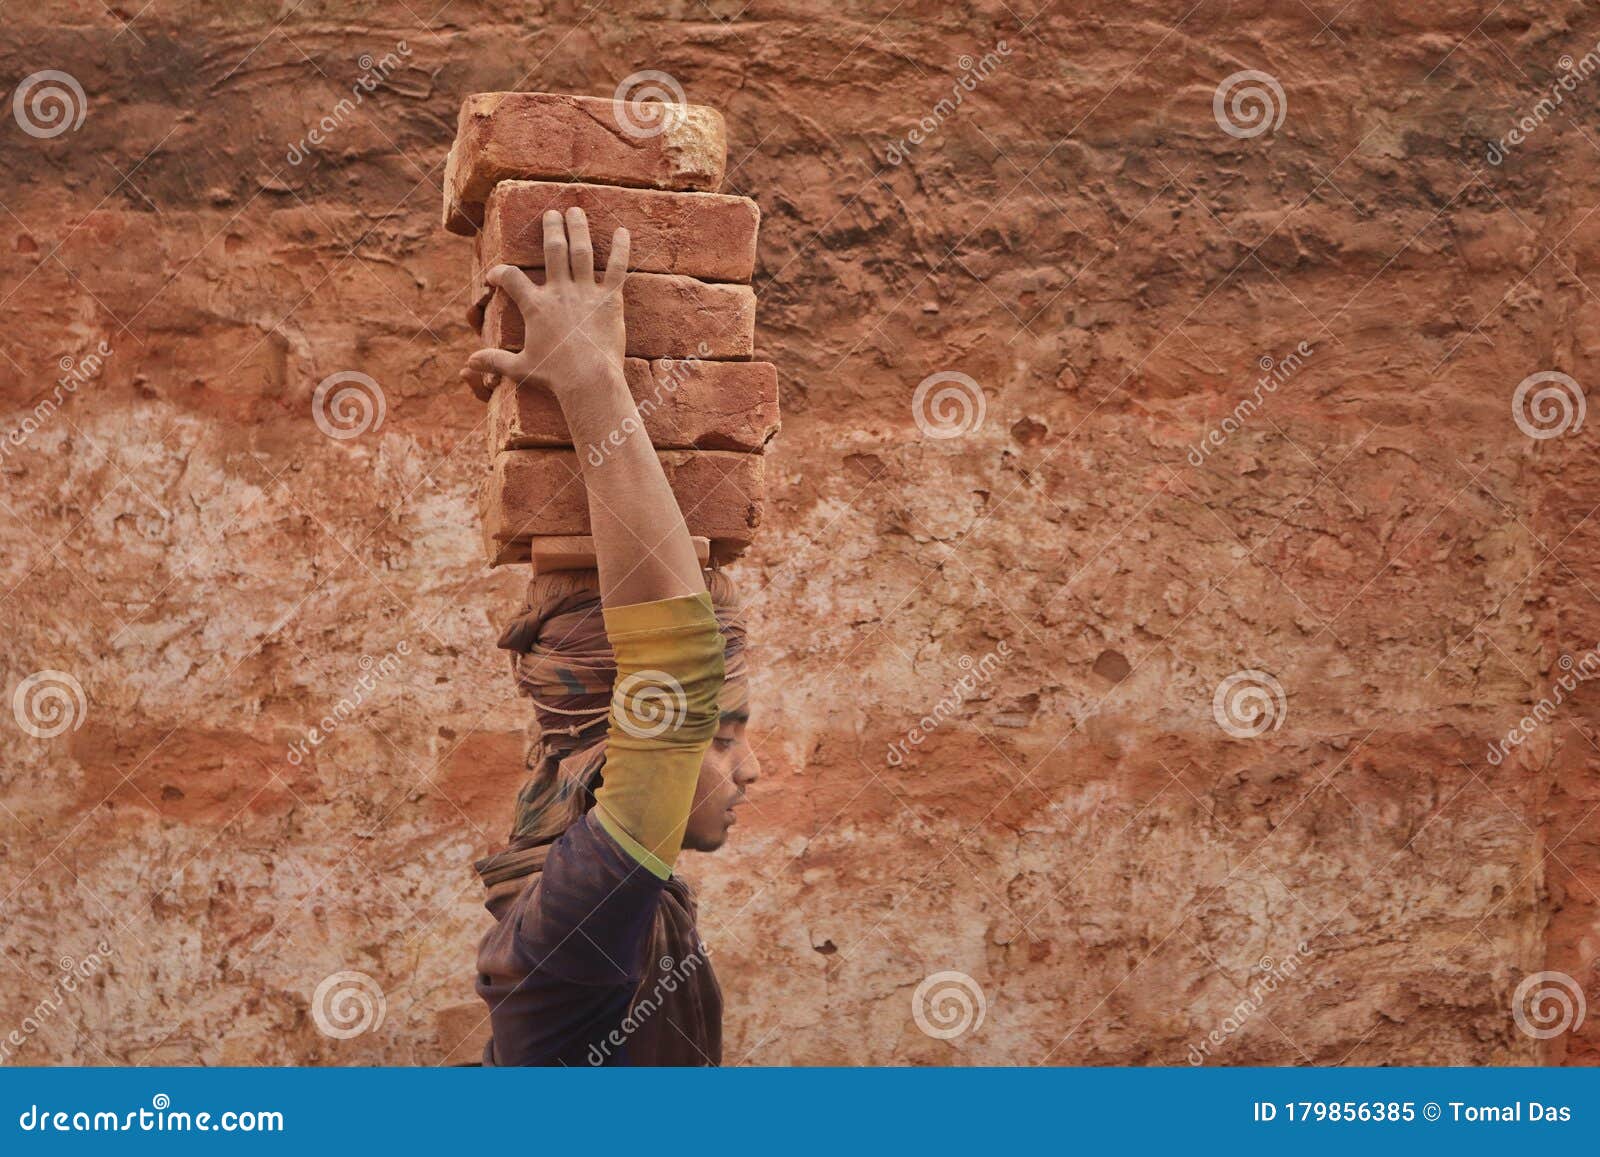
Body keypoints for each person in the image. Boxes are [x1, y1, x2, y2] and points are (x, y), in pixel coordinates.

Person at [460, 207, 760, 1066]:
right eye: (722, 733)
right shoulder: (581, 926)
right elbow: (676, 665)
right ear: (615, 741)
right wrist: (588, 378)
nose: (752, 769)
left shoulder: (631, 911)